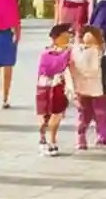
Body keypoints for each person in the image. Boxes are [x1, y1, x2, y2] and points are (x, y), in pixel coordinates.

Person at [35, 23, 74, 157]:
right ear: (56, 37)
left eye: (69, 34)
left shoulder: (69, 50)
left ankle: (51, 139)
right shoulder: (49, 53)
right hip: (47, 85)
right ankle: (44, 138)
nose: (69, 36)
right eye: (65, 34)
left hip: (56, 86)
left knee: (55, 114)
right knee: (46, 115)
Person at [68, 26, 106, 150]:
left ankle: (88, 137)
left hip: (88, 88)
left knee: (89, 113)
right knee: (96, 113)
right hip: (94, 89)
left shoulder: (79, 51)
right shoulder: (92, 51)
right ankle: (96, 136)